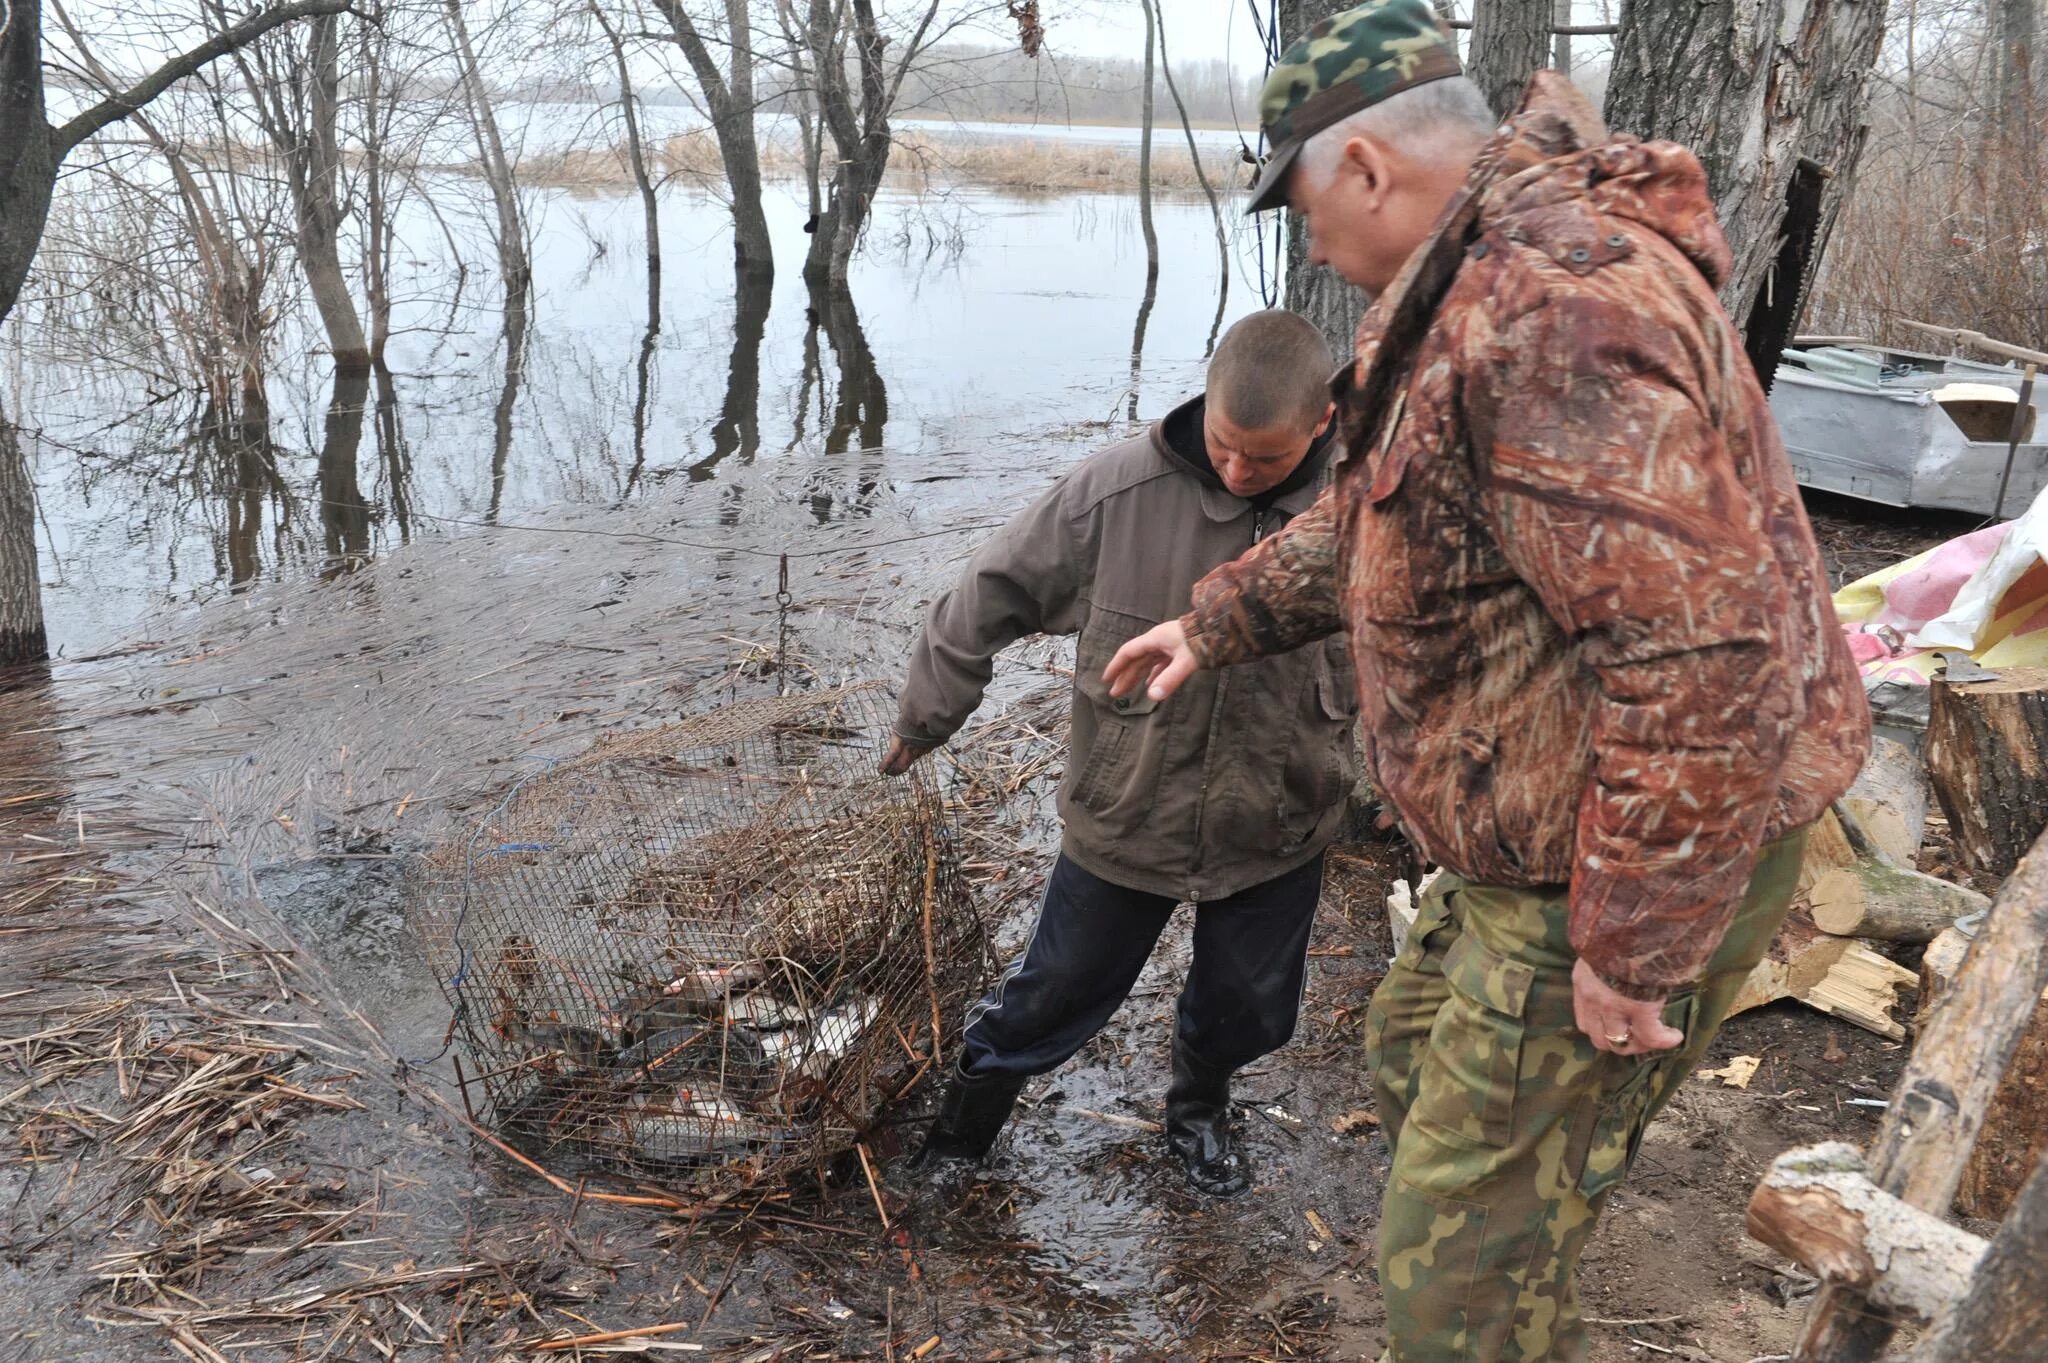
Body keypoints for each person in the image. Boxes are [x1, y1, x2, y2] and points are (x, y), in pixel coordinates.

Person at [1105, 4, 1871, 1357]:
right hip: (1544, 822)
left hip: (1617, 854)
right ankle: (1521, 1270)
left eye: (1300, 202)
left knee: (1451, 1278)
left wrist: (1632, 943)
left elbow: (1695, 652)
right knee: (1409, 1057)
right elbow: (1389, 517)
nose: (1311, 242)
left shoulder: (1553, 319)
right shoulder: (1475, 294)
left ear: (1363, 169)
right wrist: (1214, 620)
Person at [885, 309, 1360, 1196]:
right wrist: (925, 716)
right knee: (1053, 989)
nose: (1237, 470)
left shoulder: (1366, 515)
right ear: (1204, 405)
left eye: (1264, 459)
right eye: (1224, 446)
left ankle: (1200, 1110)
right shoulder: (1115, 494)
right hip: (1127, 813)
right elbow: (989, 591)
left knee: (1248, 1006)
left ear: (1324, 423)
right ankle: (966, 1119)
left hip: (1281, 816)